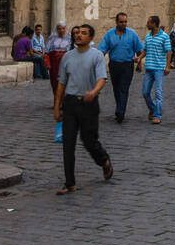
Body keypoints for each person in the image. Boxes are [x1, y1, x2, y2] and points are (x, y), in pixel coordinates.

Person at [54, 23, 113, 194]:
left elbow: (102, 78)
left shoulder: (96, 56)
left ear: (91, 38)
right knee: (68, 144)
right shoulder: (67, 57)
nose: (79, 35)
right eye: (78, 33)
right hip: (71, 104)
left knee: (89, 141)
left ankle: (104, 161)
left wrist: (94, 92)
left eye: (84, 33)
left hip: (89, 104)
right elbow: (61, 84)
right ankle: (69, 183)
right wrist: (57, 108)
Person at [98, 12, 144, 123]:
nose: (123, 24)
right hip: (114, 65)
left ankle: (120, 112)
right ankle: (120, 107)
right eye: (121, 22)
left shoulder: (132, 34)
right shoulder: (109, 34)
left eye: (125, 22)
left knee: (124, 88)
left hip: (127, 65)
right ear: (116, 22)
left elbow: (140, 51)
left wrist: (139, 62)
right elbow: (102, 50)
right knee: (116, 88)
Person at [136, 15, 171, 124]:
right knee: (145, 92)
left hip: (159, 68)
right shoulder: (148, 36)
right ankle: (153, 108)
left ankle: (157, 115)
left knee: (158, 92)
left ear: (154, 24)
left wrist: (168, 66)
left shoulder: (164, 37)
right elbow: (145, 50)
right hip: (149, 68)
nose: (147, 25)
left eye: (148, 23)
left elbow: (169, 51)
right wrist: (139, 58)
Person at [46, 22, 70, 98]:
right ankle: (57, 101)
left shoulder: (70, 38)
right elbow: (46, 52)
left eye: (63, 28)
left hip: (66, 63)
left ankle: (65, 101)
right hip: (54, 64)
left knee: (65, 81)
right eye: (59, 28)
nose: (61, 30)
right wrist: (47, 63)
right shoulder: (52, 39)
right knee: (55, 81)